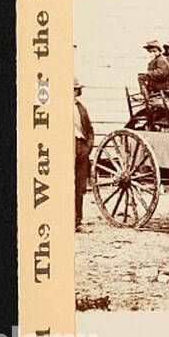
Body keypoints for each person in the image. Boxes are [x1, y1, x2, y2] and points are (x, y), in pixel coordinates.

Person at [74, 78, 93, 231]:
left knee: (80, 186)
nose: (73, 93)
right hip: (66, 146)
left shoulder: (82, 109)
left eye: (75, 90)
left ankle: (77, 221)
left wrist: (88, 147)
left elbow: (90, 130)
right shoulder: (57, 109)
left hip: (82, 147)